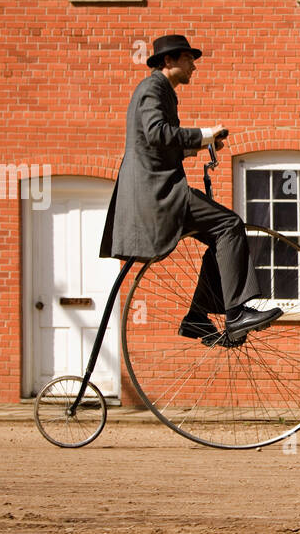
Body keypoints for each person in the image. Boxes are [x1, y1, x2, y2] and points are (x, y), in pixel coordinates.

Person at [99, 34, 282, 344]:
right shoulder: (152, 89)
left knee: (219, 237)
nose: (194, 66)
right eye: (188, 59)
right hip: (160, 194)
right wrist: (203, 134)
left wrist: (204, 145)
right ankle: (236, 313)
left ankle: (197, 318)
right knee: (229, 225)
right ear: (168, 61)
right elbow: (157, 134)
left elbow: (157, 144)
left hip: (161, 189)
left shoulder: (162, 92)